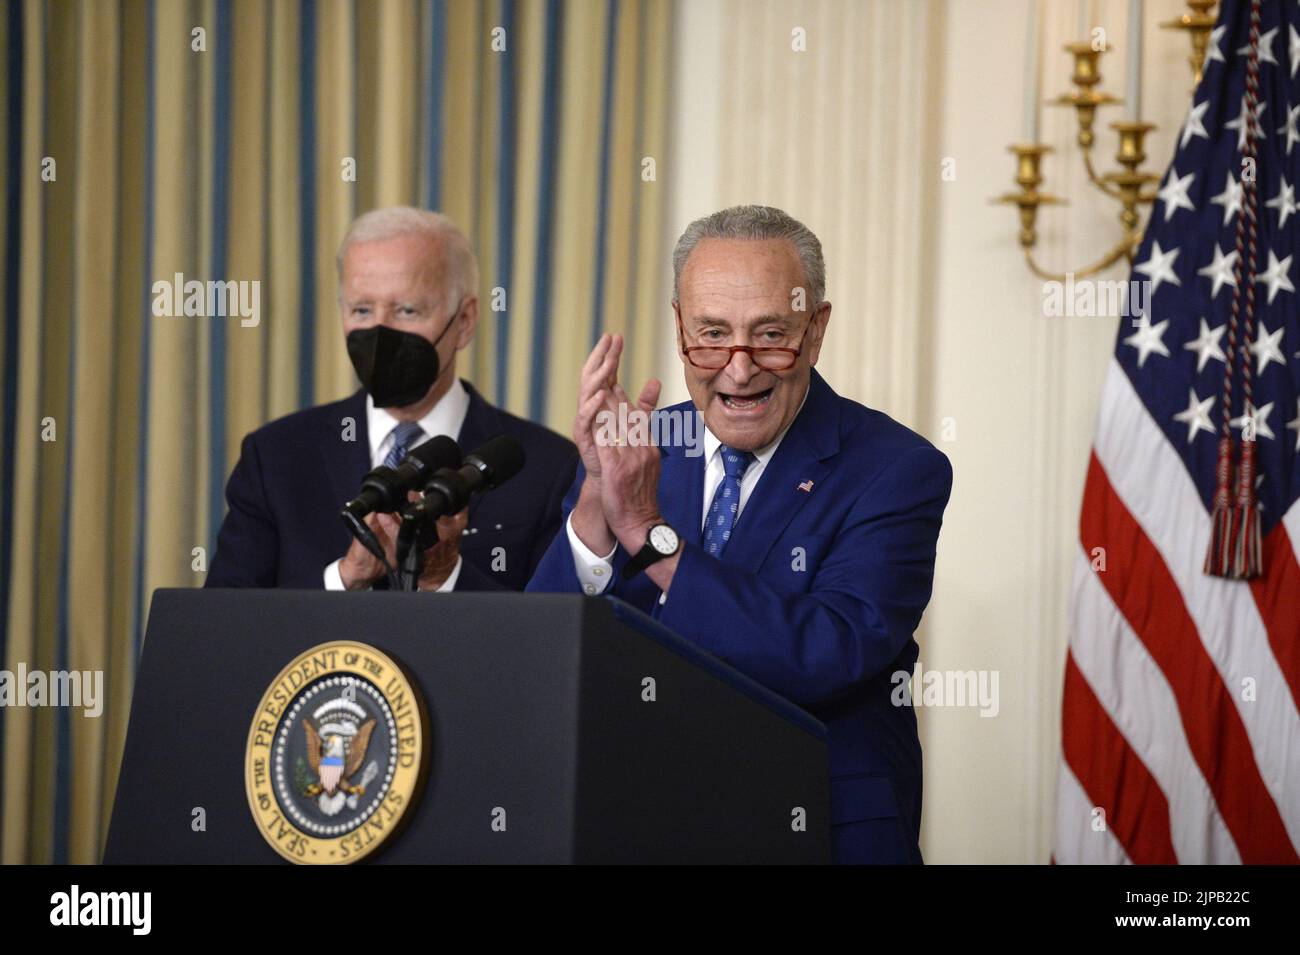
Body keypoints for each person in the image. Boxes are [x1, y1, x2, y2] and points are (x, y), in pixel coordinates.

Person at [527, 205, 952, 863]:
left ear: (816, 330)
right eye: (712, 333)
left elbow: (829, 649)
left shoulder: (894, 468)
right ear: (678, 328)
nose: (739, 366)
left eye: (771, 334)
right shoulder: (640, 445)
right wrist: (593, 505)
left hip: (817, 834)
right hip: (643, 830)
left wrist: (647, 531)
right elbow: (544, 661)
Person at [206, 206, 577, 592]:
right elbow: (224, 631)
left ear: (464, 322)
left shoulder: (547, 467)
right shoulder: (275, 457)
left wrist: (445, 577)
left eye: (407, 310)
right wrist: (344, 580)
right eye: (362, 309)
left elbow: (549, 635)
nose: (380, 333)